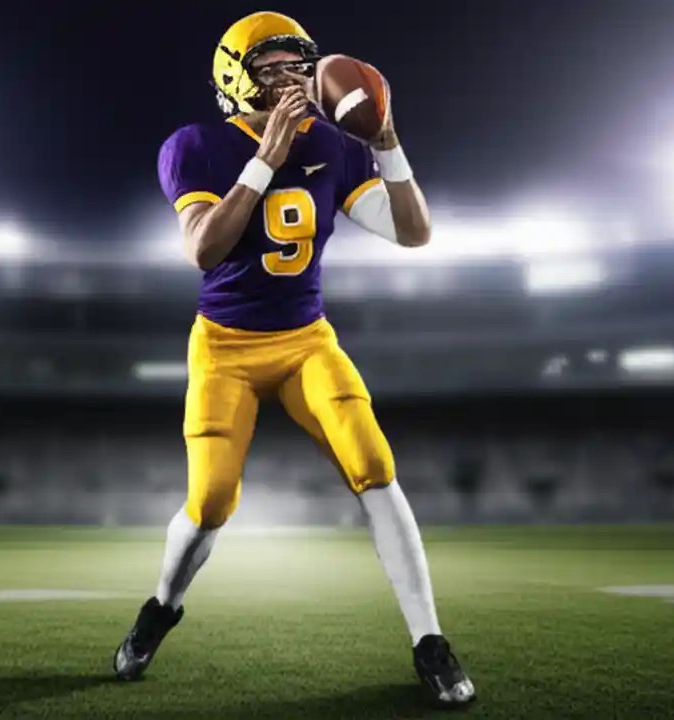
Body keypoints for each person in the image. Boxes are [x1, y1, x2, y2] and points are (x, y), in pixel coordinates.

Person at [113, 11, 475, 707]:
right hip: (225, 345)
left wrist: (388, 143)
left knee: (375, 467)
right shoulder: (194, 146)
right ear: (235, 79)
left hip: (307, 338)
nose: (289, 80)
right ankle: (160, 608)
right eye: (270, 68)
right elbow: (203, 250)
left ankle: (429, 642)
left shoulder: (333, 146)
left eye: (297, 66)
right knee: (210, 503)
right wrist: (264, 160)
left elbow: (414, 233)